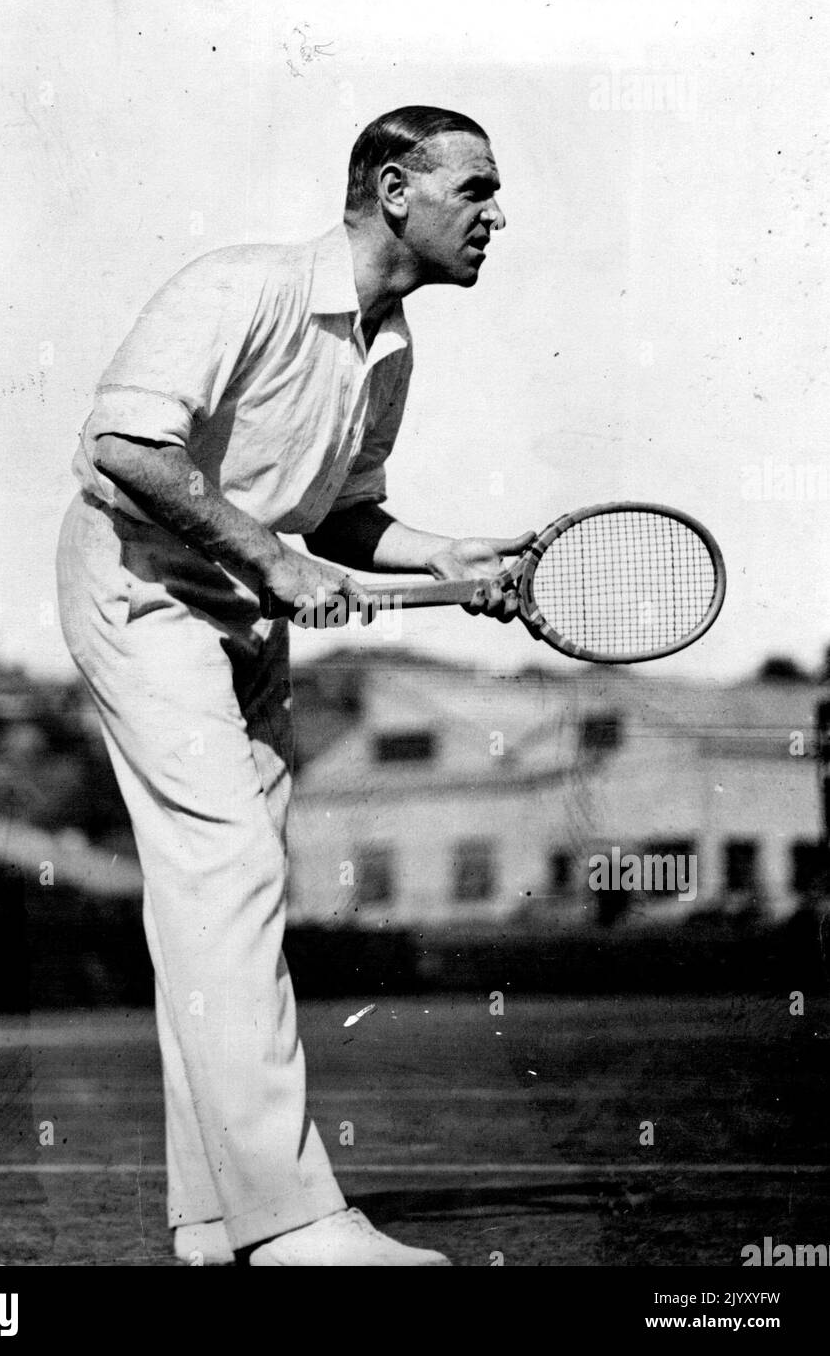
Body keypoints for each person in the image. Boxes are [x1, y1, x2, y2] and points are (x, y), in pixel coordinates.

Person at [56, 105, 521, 1266]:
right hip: (138, 590)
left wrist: (445, 557)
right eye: (477, 190)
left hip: (240, 618)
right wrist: (267, 557)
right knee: (232, 871)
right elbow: (124, 446)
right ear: (398, 189)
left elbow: (345, 515)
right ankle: (297, 1223)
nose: (496, 216)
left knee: (213, 904)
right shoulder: (242, 287)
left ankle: (214, 1214)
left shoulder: (392, 348)